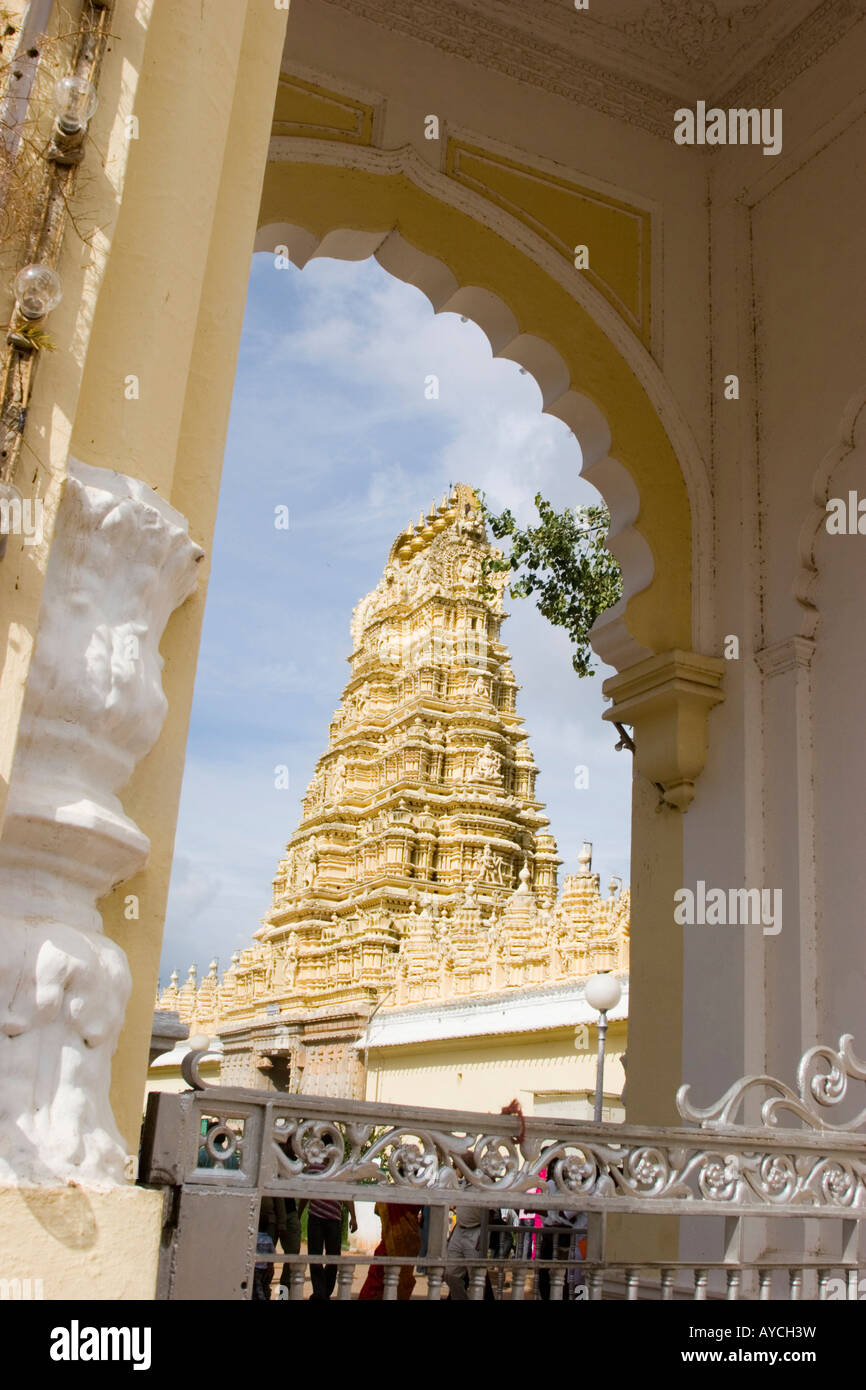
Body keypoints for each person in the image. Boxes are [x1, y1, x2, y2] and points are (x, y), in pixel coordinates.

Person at [357, 1202, 421, 1300]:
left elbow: (378, 1207)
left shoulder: (395, 1191)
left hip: (399, 1240)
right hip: (405, 1239)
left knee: (379, 1280)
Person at [303, 1193, 358, 1300]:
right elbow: (308, 1190)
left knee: (333, 1258)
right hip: (316, 1216)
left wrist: (353, 1217)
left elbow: (347, 1192)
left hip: (334, 1219)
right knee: (315, 1257)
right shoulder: (315, 1174)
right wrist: (299, 1213)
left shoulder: (340, 1176)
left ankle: (324, 1292)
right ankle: (320, 1292)